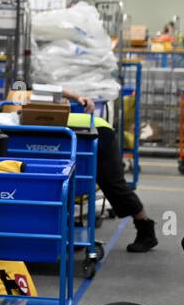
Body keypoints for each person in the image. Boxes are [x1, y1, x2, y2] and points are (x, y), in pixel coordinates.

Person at [64, 91, 158, 253]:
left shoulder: (32, 96)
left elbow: (61, 89)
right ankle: (72, 230)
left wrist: (79, 97)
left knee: (112, 184)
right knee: (68, 180)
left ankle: (146, 231)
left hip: (97, 132)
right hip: (78, 132)